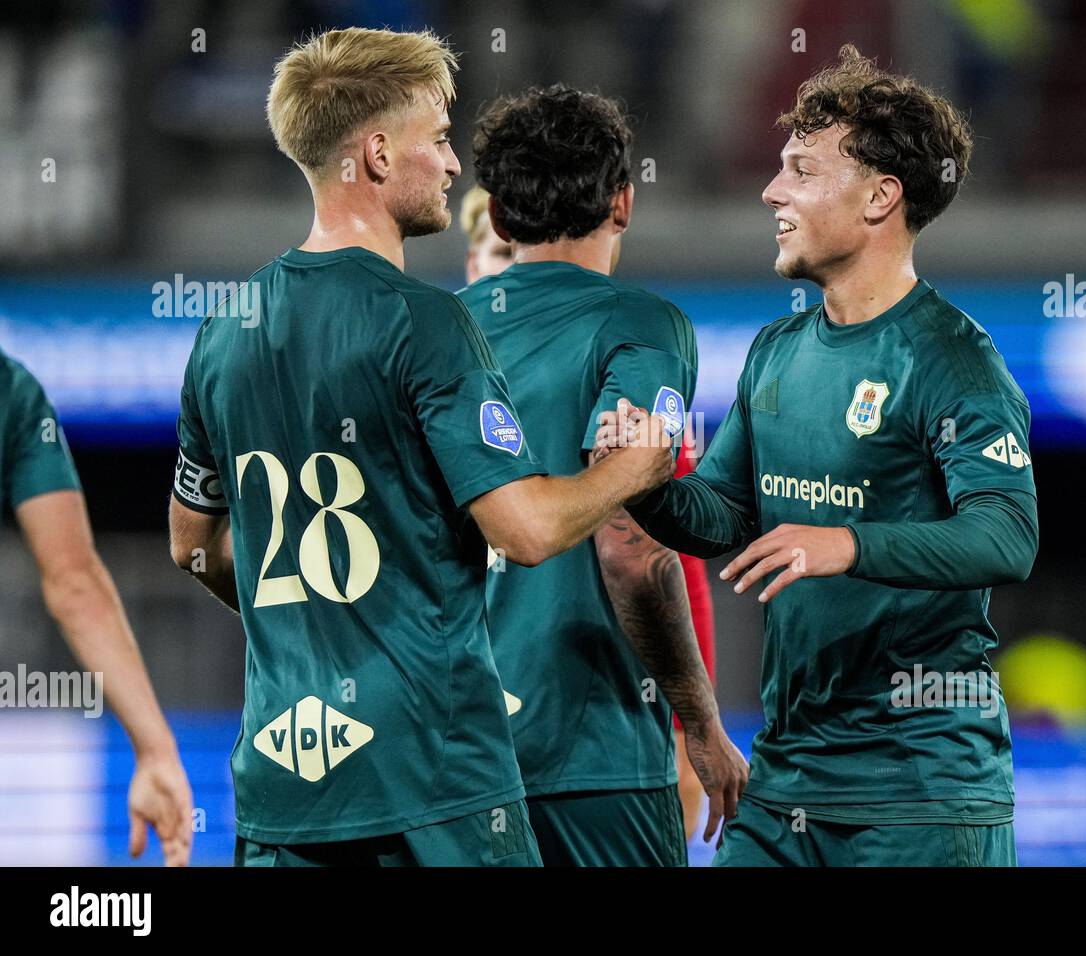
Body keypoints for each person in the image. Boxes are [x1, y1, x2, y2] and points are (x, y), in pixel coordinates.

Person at [167, 28, 673, 867]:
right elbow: (527, 530)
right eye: (436, 139)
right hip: (434, 784)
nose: (450, 166)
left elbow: (190, 547)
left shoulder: (224, 331)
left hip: (283, 788)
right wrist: (635, 466)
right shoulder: (428, 322)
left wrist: (310, 620)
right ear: (374, 153)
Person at [597, 46, 1038, 866]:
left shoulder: (953, 360)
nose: (772, 191)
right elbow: (720, 512)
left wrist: (847, 543)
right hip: (790, 776)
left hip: (922, 789)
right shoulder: (776, 351)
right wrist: (647, 477)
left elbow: (1007, 536)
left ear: (880, 197)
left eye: (800, 170)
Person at [459, 85, 745, 866]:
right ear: (623, 203)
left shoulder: (430, 337)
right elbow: (629, 546)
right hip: (594, 762)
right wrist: (700, 724)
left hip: (450, 767)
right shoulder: (642, 326)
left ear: (505, 219)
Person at [1, 348, 192, 865]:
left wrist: (155, 747)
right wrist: (155, 749)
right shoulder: (12, 392)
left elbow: (75, 584)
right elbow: (74, 585)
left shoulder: (13, 396)